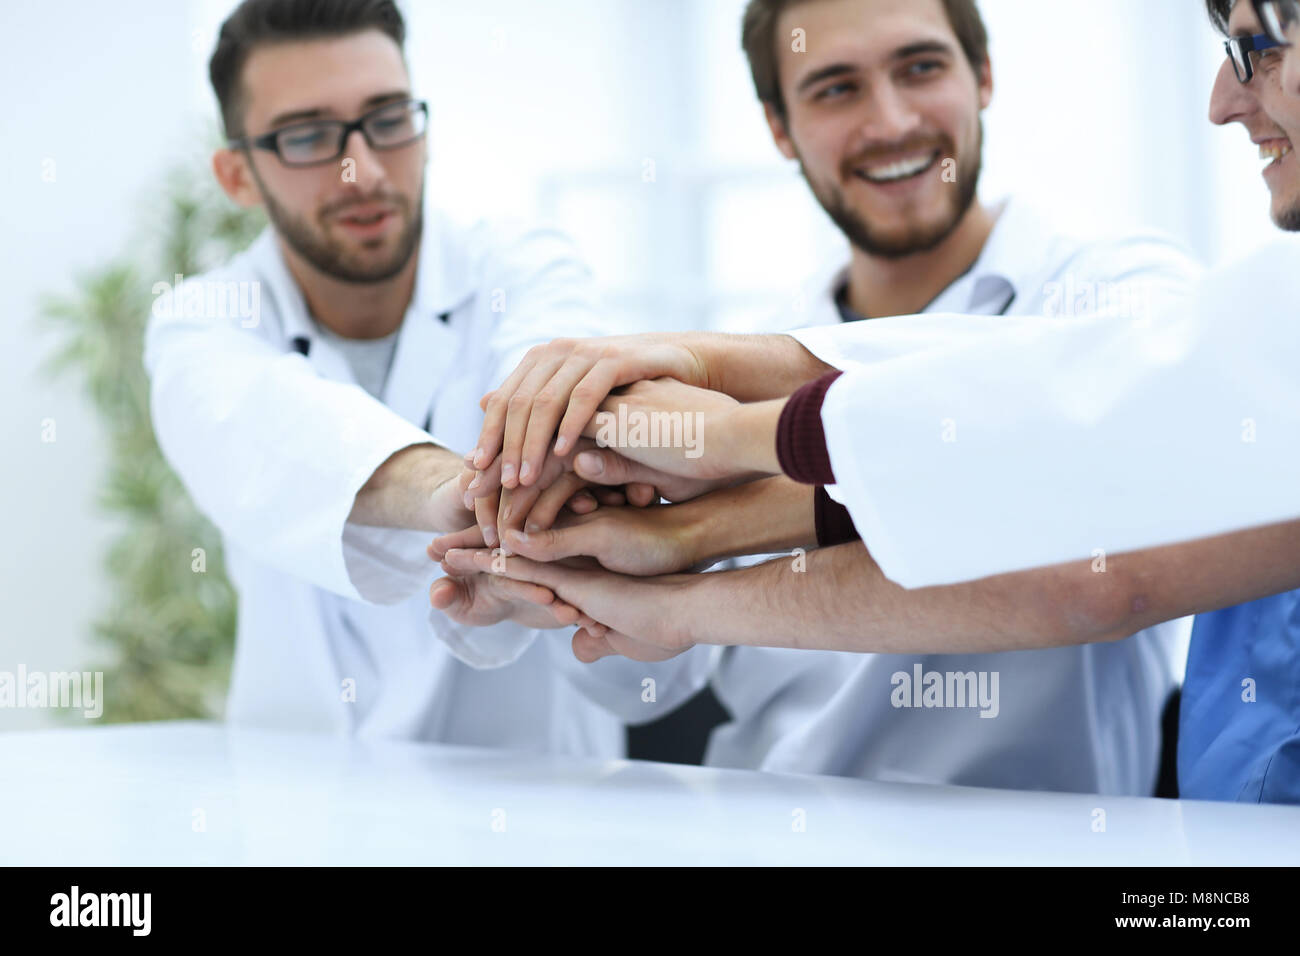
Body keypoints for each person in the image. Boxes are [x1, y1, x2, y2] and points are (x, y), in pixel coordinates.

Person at [442, 0, 1300, 803]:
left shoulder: (1122, 291)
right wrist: (560, 578)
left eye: (920, 68)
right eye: (837, 87)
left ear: (984, 76)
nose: (889, 122)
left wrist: (729, 455)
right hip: (775, 826)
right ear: (780, 128)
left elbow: (1069, 436)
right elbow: (646, 682)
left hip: (1038, 836)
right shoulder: (734, 357)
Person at [145, 0, 631, 754]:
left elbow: (560, 379)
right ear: (237, 175)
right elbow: (261, 420)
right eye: (307, 136)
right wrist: (466, 499)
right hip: (299, 801)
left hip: (533, 804)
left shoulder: (525, 267)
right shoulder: (206, 318)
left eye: (389, 119)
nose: (363, 170)